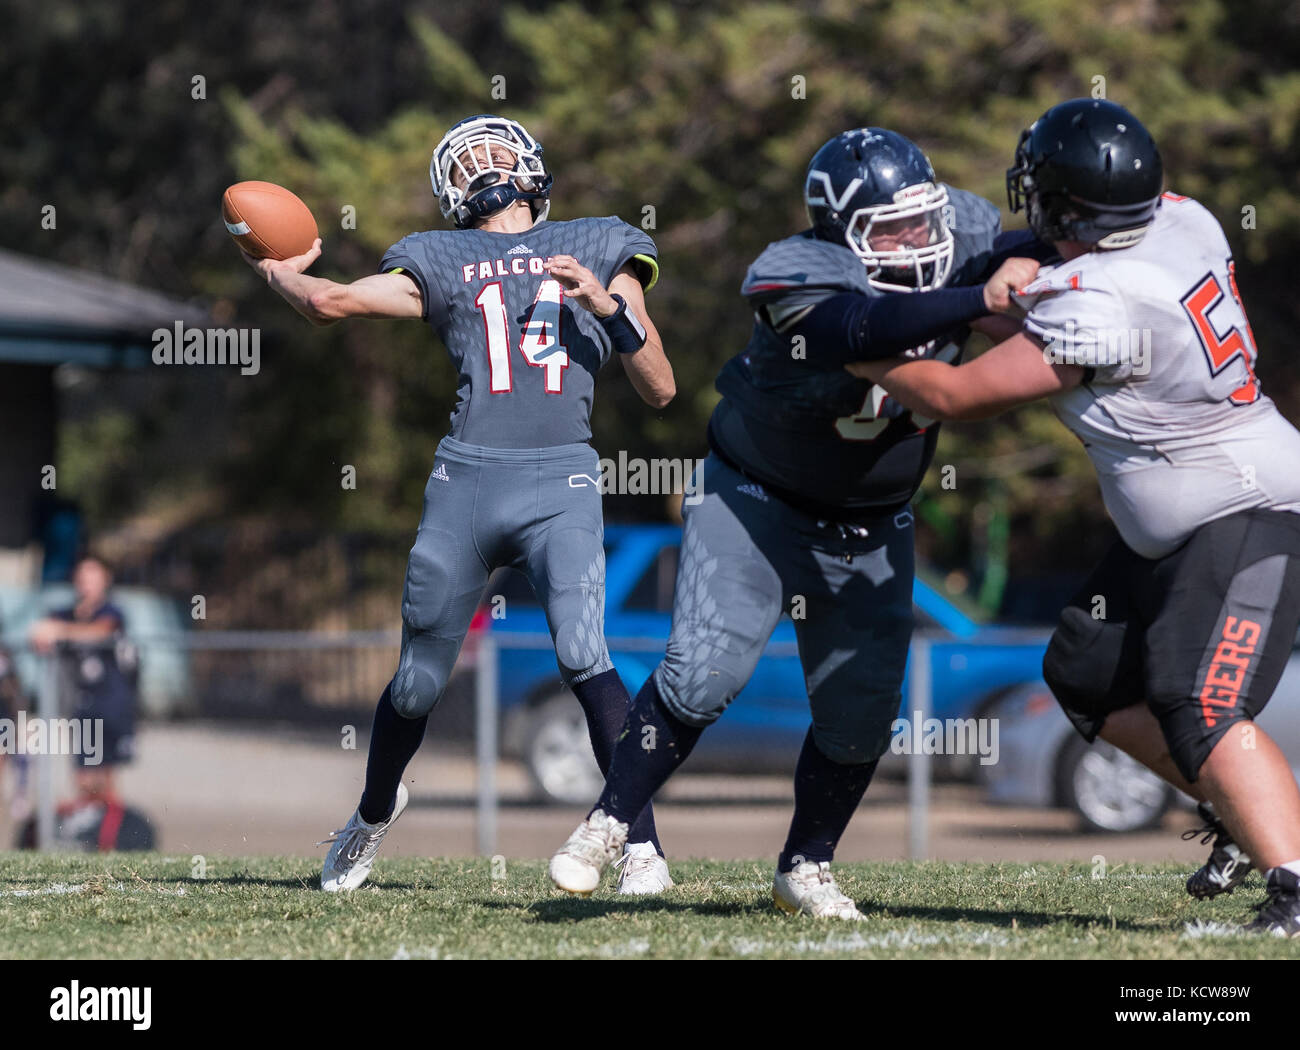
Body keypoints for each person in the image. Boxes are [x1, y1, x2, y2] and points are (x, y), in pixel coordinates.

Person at [548, 127, 1041, 915]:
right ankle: (611, 822)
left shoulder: (966, 229)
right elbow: (860, 329)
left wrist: (1048, 255)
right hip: (757, 498)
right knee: (704, 675)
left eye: (924, 222)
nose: (919, 241)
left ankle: (805, 865)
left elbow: (1044, 242)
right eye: (893, 230)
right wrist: (985, 296)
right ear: (842, 232)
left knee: (861, 718)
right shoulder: (795, 273)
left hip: (874, 519)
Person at [852, 98, 1300, 936]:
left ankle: (1295, 879)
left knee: (1200, 702)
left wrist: (856, 339)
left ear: (1066, 208)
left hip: (1253, 505)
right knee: (1089, 672)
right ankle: (1246, 818)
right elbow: (1048, 299)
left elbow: (960, 394)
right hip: (1183, 517)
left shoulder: (1100, 301)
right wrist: (984, 293)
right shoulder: (1184, 221)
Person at [241, 114, 677, 894]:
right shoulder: (439, 255)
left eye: (498, 149)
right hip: (468, 478)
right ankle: (371, 817)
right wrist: (280, 273)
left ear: (535, 166)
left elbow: (661, 385)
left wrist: (607, 308)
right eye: (466, 158)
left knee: (586, 653)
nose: (484, 164)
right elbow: (333, 302)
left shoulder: (603, 241)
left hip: (562, 476)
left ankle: (638, 844)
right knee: (416, 681)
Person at [28, 554, 136, 800]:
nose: (86, 583)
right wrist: (43, 633)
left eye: (93, 577)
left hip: (110, 704)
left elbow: (100, 631)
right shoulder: (66, 613)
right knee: (82, 778)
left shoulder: (111, 611)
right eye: (82, 577)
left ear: (105, 580)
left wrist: (59, 632)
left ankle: (108, 834)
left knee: (104, 778)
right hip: (82, 703)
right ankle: (89, 832)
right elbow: (40, 632)